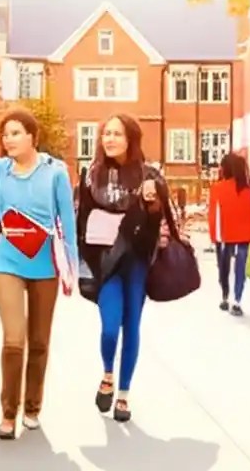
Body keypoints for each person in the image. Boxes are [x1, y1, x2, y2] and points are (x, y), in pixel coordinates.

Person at [0, 108, 78, 439]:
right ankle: (8, 414)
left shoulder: (56, 173)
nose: (8, 139)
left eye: (16, 133)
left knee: (39, 341)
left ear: (33, 137)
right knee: (14, 339)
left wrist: (72, 270)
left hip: (45, 261)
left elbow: (68, 225)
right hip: (6, 259)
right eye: (5, 134)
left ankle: (33, 407)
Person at [77, 114, 179, 423]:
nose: (109, 139)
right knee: (110, 327)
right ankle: (107, 373)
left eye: (117, 134)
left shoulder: (149, 175)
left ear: (130, 139)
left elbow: (162, 222)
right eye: (106, 133)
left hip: (136, 260)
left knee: (131, 324)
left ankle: (123, 393)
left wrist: (152, 204)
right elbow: (80, 219)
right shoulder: (90, 175)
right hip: (105, 262)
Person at [206, 153, 250, 317]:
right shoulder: (247, 190)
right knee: (240, 268)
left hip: (225, 235)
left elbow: (214, 214)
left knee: (224, 267)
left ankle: (225, 296)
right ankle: (237, 300)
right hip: (242, 236)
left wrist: (214, 235)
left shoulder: (218, 188)